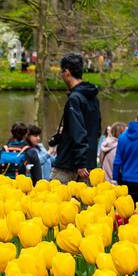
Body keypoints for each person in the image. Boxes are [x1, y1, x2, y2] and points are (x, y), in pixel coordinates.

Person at [52, 53, 102, 182]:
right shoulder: (93, 97)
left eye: (62, 72)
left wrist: (80, 162)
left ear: (67, 72)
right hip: (88, 162)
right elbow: (96, 130)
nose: (61, 76)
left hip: (71, 163)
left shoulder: (75, 99)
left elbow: (78, 131)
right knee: (85, 200)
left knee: (53, 198)